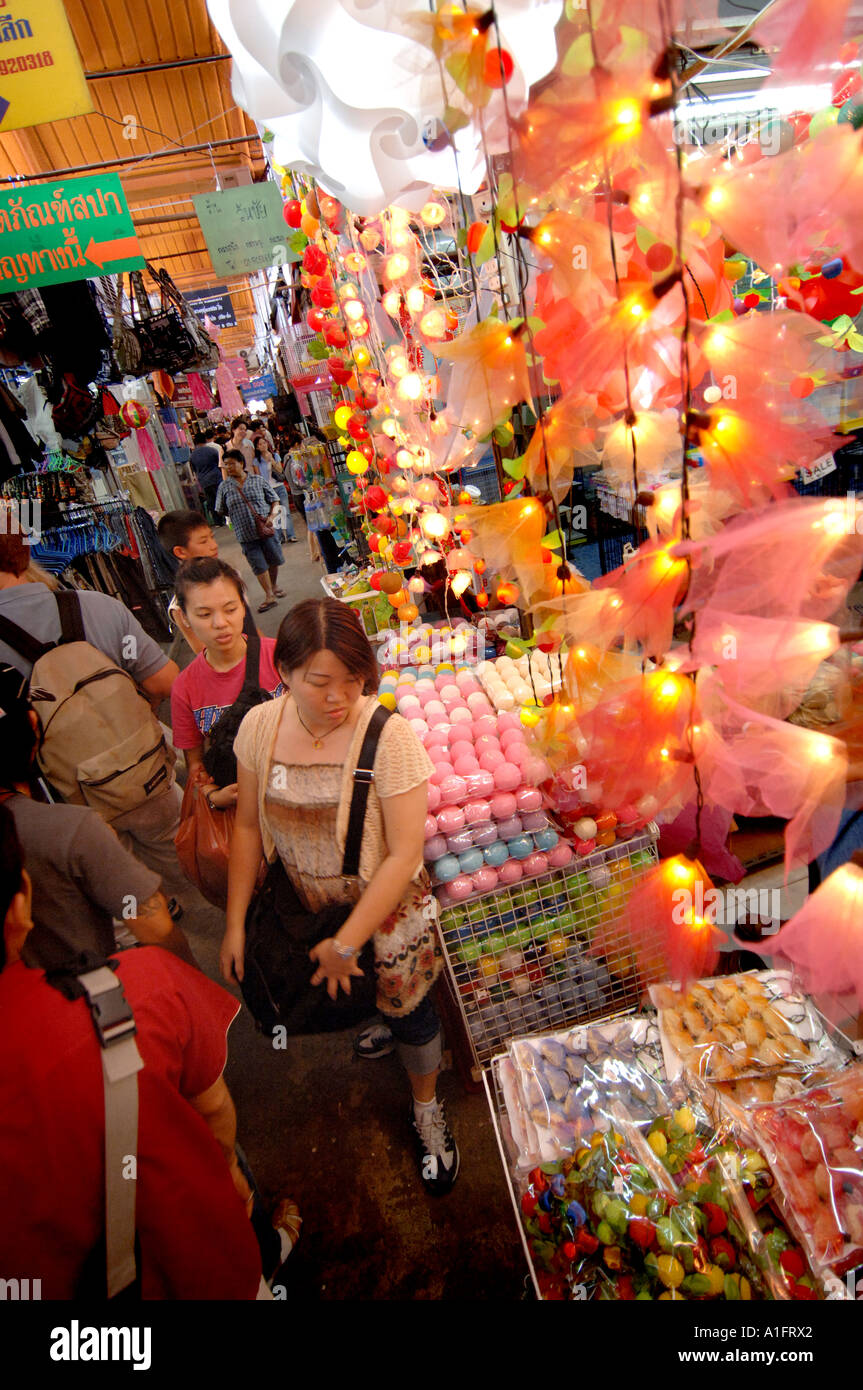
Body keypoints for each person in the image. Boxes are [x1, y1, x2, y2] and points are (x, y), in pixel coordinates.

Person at [0, 801, 299, 1300]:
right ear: (19, 906)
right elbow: (214, 1113)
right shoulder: (142, 994)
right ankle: (266, 1248)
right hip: (199, 1269)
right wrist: (181, 975)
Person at [221, 597, 459, 1195]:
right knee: (361, 998)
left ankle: (427, 1106)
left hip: (385, 910)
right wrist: (233, 924)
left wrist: (348, 943)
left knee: (412, 1008)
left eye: (352, 681)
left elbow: (404, 856)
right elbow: (247, 827)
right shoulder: (259, 727)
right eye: (318, 682)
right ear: (284, 673)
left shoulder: (390, 737)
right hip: (305, 902)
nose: (337, 698)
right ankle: (378, 1016)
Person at [0, 532, 182, 891]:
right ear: (23, 555)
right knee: (182, 858)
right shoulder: (96, 605)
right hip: (143, 773)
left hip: (68, 808)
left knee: (120, 894)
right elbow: (165, 681)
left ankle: (152, 908)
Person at [0, 663, 196, 970]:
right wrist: (194, 985)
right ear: (33, 725)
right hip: (88, 996)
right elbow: (155, 927)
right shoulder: (70, 829)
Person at [170, 558, 286, 814]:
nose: (220, 623)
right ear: (185, 618)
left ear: (244, 608)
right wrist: (214, 796)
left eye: (230, 609)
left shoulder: (280, 655)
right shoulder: (184, 687)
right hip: (241, 813)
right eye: (204, 614)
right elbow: (195, 764)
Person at [215, 454, 286, 613]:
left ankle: (273, 585)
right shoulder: (224, 487)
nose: (228, 467)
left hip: (265, 529)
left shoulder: (257, 480)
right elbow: (220, 509)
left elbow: (274, 499)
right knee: (258, 564)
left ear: (241, 463)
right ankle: (269, 595)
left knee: (273, 559)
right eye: (226, 465)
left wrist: (272, 516)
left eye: (231, 463)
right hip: (244, 533)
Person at [157, 509, 220, 654]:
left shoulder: (225, 578)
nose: (213, 545)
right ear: (180, 552)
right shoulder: (181, 606)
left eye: (212, 537)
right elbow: (202, 651)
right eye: (204, 541)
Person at [254, 436, 297, 544]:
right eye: (260, 444)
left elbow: (280, 469)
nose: (263, 445)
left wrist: (272, 460)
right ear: (257, 447)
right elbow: (258, 476)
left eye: (264, 443)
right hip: (268, 489)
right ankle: (280, 537)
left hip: (279, 486)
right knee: (274, 513)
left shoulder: (275, 455)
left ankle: (291, 535)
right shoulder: (256, 461)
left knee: (285, 511)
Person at [190, 429, 225, 525]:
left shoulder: (192, 455)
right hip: (216, 478)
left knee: (211, 501)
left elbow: (194, 470)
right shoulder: (212, 451)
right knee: (220, 499)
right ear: (205, 440)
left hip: (204, 481)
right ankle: (225, 518)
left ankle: (217, 521)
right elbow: (220, 464)